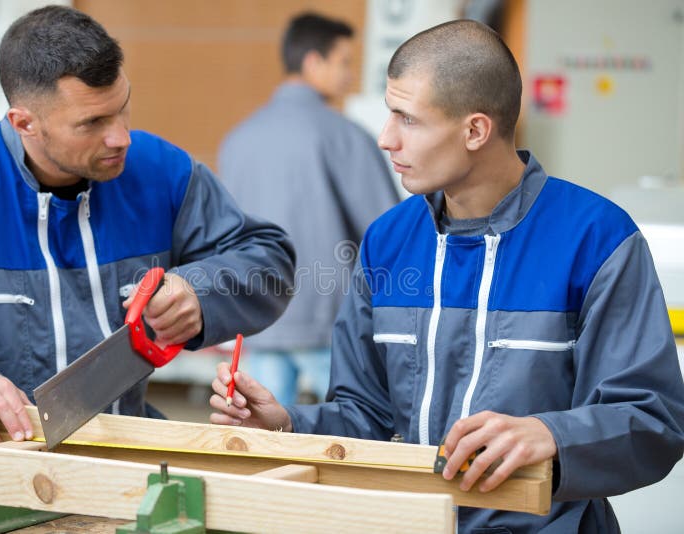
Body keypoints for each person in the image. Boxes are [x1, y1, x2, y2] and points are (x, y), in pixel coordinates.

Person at [210, 19, 684, 532]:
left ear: (475, 130)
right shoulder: (387, 241)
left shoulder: (597, 240)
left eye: (407, 119)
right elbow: (366, 416)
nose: (386, 139)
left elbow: (654, 420)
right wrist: (287, 423)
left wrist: (552, 435)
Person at [0, 5, 295, 447]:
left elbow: (269, 260)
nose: (121, 137)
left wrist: (201, 290)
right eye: (93, 123)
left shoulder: (163, 173)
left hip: (121, 454)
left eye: (122, 108)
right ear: (24, 123)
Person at [218, 13, 398, 406]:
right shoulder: (345, 136)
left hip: (259, 315)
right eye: (344, 62)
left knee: (263, 429)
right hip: (327, 319)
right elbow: (389, 232)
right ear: (313, 62)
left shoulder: (237, 140)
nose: (349, 75)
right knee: (357, 425)